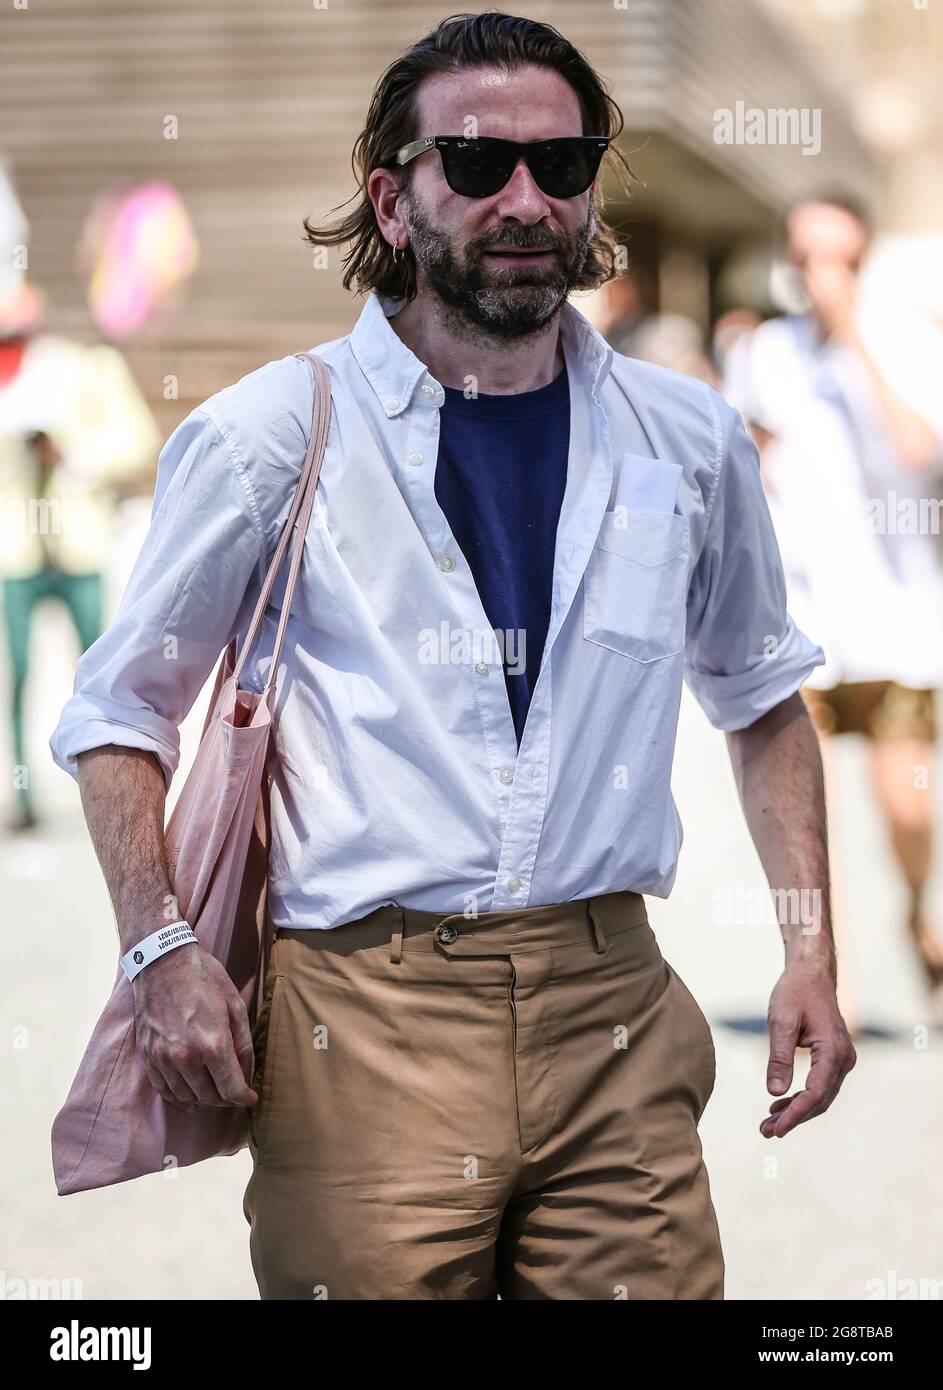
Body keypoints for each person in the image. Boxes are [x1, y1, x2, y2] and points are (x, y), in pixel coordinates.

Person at [50, 12, 855, 1300]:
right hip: (362, 1022)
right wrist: (161, 951)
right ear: (394, 192)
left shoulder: (689, 438)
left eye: (563, 163)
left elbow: (760, 698)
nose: (527, 199)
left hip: (614, 1004)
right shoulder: (268, 435)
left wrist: (810, 949)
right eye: (478, 167)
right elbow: (116, 717)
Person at [724, 194, 943, 1031]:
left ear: (862, 260)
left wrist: (853, 335)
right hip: (799, 617)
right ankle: (828, 982)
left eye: (839, 259)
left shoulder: (907, 340)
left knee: (907, 808)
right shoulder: (764, 352)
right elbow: (750, 456)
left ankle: (917, 914)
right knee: (809, 812)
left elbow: (918, 449)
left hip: (895, 618)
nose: (822, 276)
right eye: (808, 258)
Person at [0, 281, 159, 830]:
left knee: (103, 680)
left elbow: (135, 440)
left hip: (77, 546)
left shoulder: (84, 369)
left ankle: (112, 795)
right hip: (17, 553)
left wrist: (70, 452)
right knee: (17, 674)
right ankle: (24, 797)